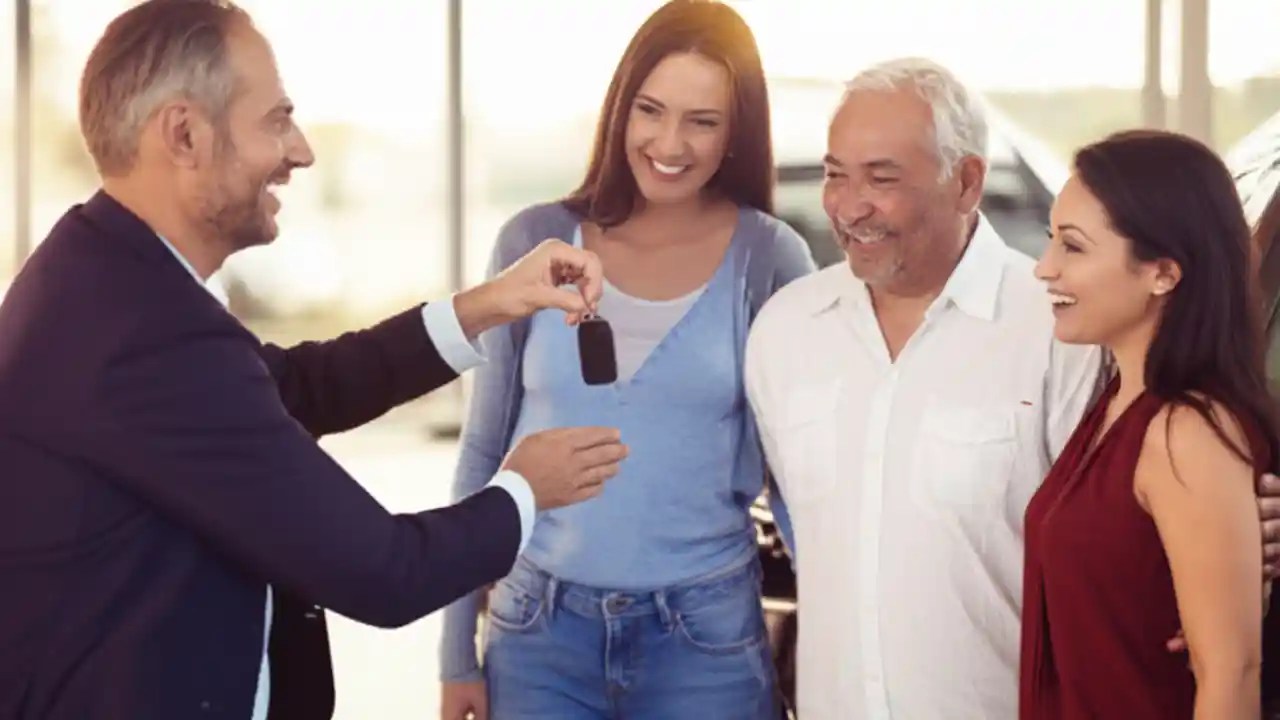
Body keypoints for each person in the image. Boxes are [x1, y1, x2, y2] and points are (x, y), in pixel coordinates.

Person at [0, 2, 628, 719]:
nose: (301, 150)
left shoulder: (104, 277)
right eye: (276, 119)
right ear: (184, 134)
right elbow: (387, 572)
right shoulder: (139, 330)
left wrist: (488, 303)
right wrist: (523, 488)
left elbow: (296, 387)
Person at [743, 57, 1280, 719]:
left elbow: (1216, 645)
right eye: (835, 174)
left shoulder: (1066, 340)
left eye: (882, 177)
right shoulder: (783, 332)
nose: (850, 205)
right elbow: (798, 526)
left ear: (967, 181)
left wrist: (1234, 538)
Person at [438, 2, 815, 718]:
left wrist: (838, 638)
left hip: (704, 643)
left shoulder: (770, 259)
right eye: (651, 109)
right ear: (621, 111)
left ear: (736, 132)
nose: (669, 142)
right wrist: (457, 653)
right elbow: (485, 450)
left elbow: (793, 479)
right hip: (538, 636)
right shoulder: (535, 240)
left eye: (702, 121)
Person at [1020, 129, 1276, 719]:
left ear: (1162, 273)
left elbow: (1231, 677)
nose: (1044, 268)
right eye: (1051, 240)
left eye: (1073, 247)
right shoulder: (1112, 403)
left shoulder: (1184, 433)